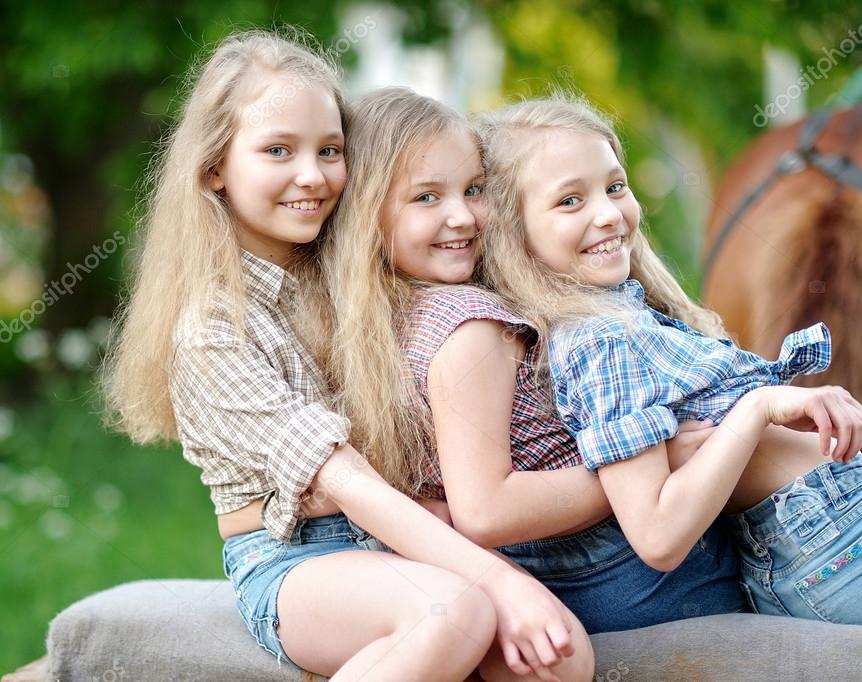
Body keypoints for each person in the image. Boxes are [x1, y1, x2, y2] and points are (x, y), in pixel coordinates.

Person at [102, 32, 583, 682]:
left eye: (329, 150)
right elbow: (344, 479)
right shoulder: (212, 330)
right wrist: (501, 580)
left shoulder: (349, 275)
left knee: (559, 660)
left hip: (396, 531)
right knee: (455, 611)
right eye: (278, 150)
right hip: (294, 561)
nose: (312, 175)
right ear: (215, 166)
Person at [475, 94, 862, 625]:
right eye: (569, 201)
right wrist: (759, 408)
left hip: (828, 540)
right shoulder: (604, 341)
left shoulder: (606, 318)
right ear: (512, 229)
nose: (608, 214)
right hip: (848, 541)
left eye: (615, 186)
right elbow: (658, 534)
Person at [319, 86, 748, 638]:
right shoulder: (471, 323)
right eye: (426, 197)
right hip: (626, 574)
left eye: (474, 190)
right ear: (366, 213)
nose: (463, 216)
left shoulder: (378, 325)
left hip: (583, 570)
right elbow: (485, 510)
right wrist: (651, 462)